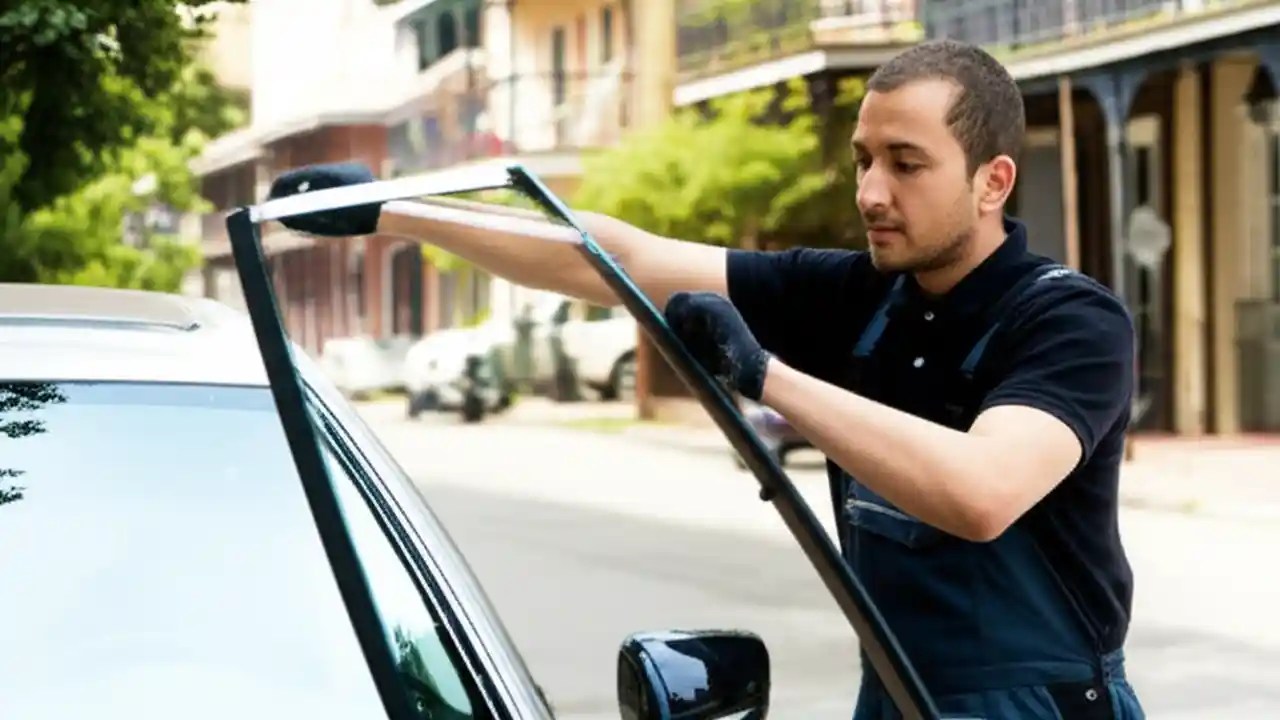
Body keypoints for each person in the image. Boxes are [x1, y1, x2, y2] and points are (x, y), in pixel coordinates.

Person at [265, 39, 1143, 720]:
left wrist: (765, 376)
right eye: (863, 159)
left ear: (993, 182)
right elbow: (624, 258)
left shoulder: (1071, 324)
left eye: (906, 164)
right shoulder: (856, 296)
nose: (873, 191)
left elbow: (979, 491)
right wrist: (393, 209)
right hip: (899, 690)